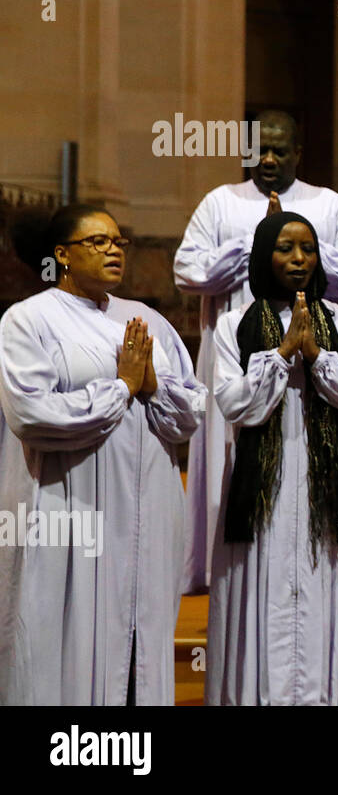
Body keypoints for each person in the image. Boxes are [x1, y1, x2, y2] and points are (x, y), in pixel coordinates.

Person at [0, 204, 204, 705]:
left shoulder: (148, 320)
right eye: (98, 241)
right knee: (63, 632)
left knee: (142, 637)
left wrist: (151, 385)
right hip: (70, 512)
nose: (113, 249)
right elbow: (32, 414)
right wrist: (119, 388)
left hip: (147, 511)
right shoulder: (28, 320)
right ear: (62, 255)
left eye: (119, 241)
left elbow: (189, 413)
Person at [174, 109, 338, 594]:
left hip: (310, 356)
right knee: (227, 454)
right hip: (236, 354)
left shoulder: (327, 204)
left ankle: (306, 567)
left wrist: (295, 245)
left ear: (298, 153)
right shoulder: (220, 203)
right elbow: (187, 271)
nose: (266, 158)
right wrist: (256, 245)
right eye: (257, 149)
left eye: (278, 150)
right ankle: (218, 569)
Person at [204, 212, 338, 705]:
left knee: (322, 587)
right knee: (265, 590)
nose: (299, 259)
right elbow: (236, 405)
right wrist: (280, 355)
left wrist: (317, 356)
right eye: (285, 248)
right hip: (263, 490)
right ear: (262, 255)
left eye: (308, 248)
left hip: (326, 490)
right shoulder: (233, 324)